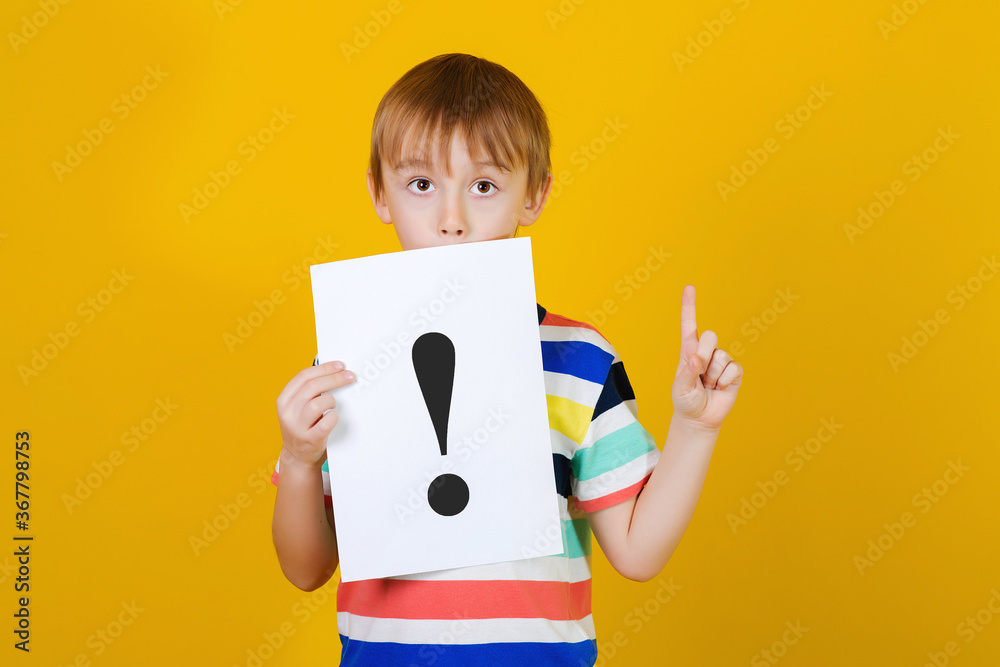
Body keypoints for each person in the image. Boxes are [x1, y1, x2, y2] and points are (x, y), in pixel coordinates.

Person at [270, 52, 743, 666]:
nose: (451, 221)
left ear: (535, 195)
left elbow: (638, 553)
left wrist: (696, 427)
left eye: (485, 186)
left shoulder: (579, 361)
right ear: (379, 193)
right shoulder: (351, 364)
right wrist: (301, 461)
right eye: (421, 185)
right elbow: (306, 569)